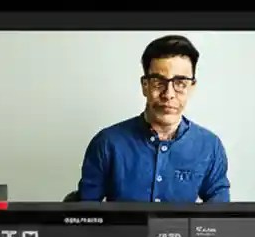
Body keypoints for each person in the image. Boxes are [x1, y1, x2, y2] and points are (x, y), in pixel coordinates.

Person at [75, 35, 230, 204]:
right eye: (158, 82)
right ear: (145, 86)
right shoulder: (107, 143)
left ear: (191, 88)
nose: (169, 94)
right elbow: (85, 215)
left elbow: (219, 216)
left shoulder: (209, 146)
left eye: (180, 83)